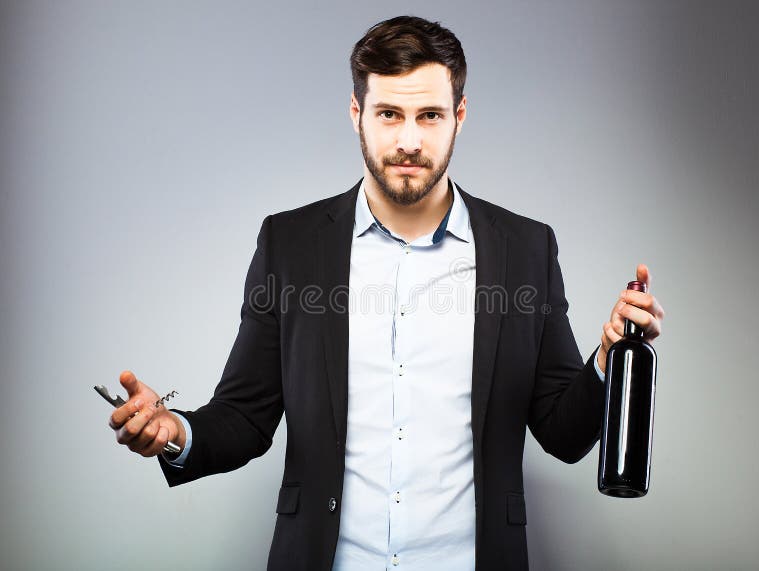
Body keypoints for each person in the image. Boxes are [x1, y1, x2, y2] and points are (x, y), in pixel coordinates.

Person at [108, 15, 664, 571]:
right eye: (389, 114)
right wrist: (175, 432)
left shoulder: (526, 250)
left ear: (459, 116)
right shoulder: (291, 244)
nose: (408, 141)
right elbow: (244, 416)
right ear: (357, 115)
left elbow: (564, 434)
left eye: (429, 116)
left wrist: (607, 361)